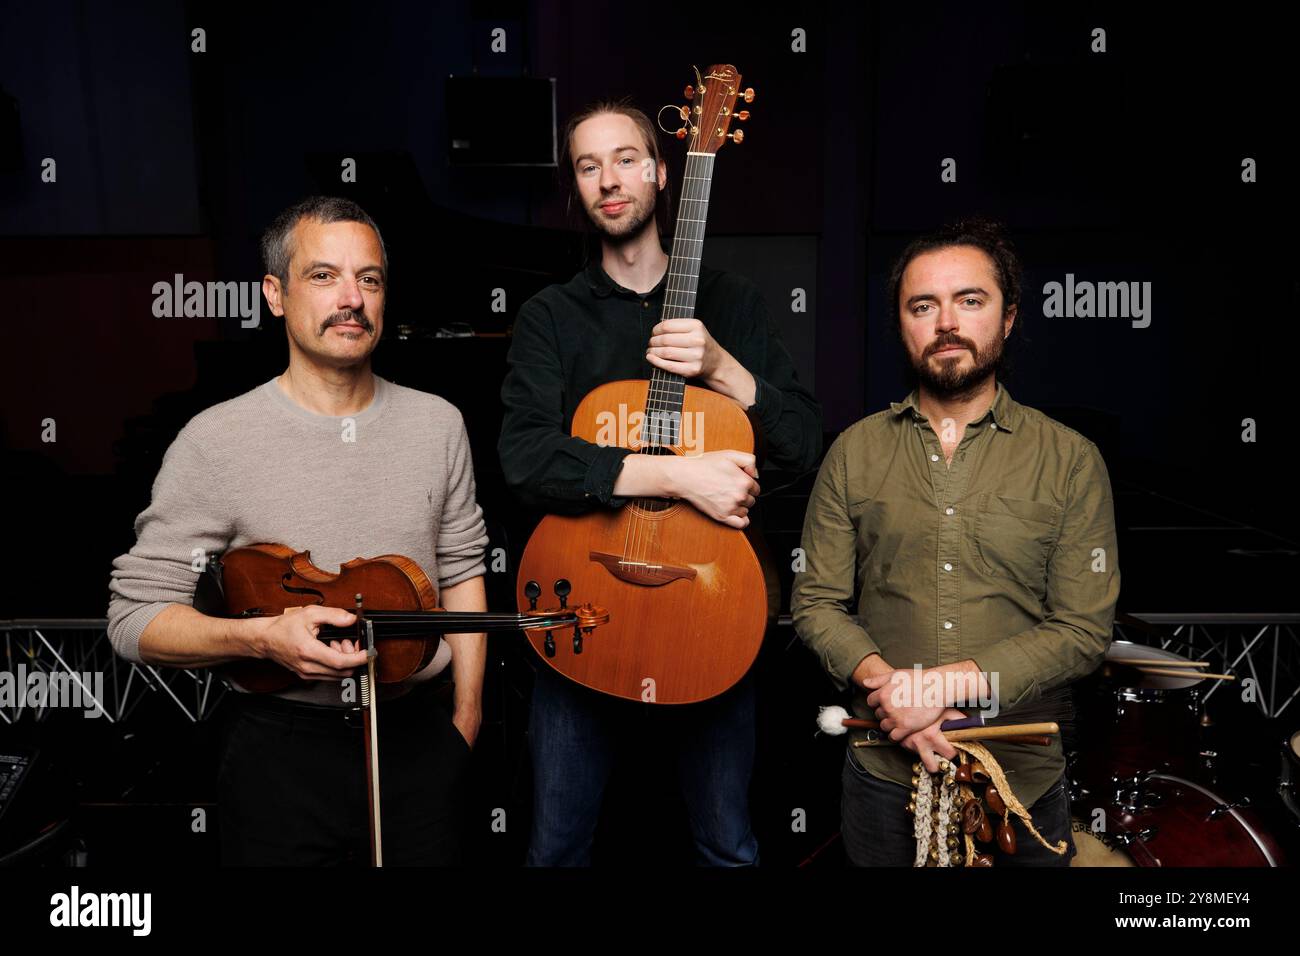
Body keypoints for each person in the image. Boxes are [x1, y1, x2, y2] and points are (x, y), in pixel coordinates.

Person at [107, 196, 489, 865]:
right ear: (275, 295)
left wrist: (465, 717)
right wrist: (258, 638)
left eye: (368, 279)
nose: (352, 298)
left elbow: (460, 568)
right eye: (323, 276)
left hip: (419, 738)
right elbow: (133, 620)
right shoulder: (216, 440)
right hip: (279, 754)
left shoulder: (439, 423)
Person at [498, 99, 823, 865]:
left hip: (711, 612)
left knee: (725, 845)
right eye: (587, 165)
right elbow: (524, 459)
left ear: (663, 168)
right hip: (584, 608)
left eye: (625, 158)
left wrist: (723, 369)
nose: (609, 180)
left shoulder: (733, 303)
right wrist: (679, 478)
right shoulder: (551, 318)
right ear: (575, 189)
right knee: (555, 847)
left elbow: (804, 444)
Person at [792, 217, 1120, 866]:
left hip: (1020, 784)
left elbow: (1083, 628)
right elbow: (817, 603)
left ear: (1008, 318)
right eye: (923, 306)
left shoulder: (1071, 460)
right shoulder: (853, 454)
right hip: (883, 785)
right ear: (902, 325)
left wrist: (941, 686)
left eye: (970, 300)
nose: (947, 322)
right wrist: (894, 691)